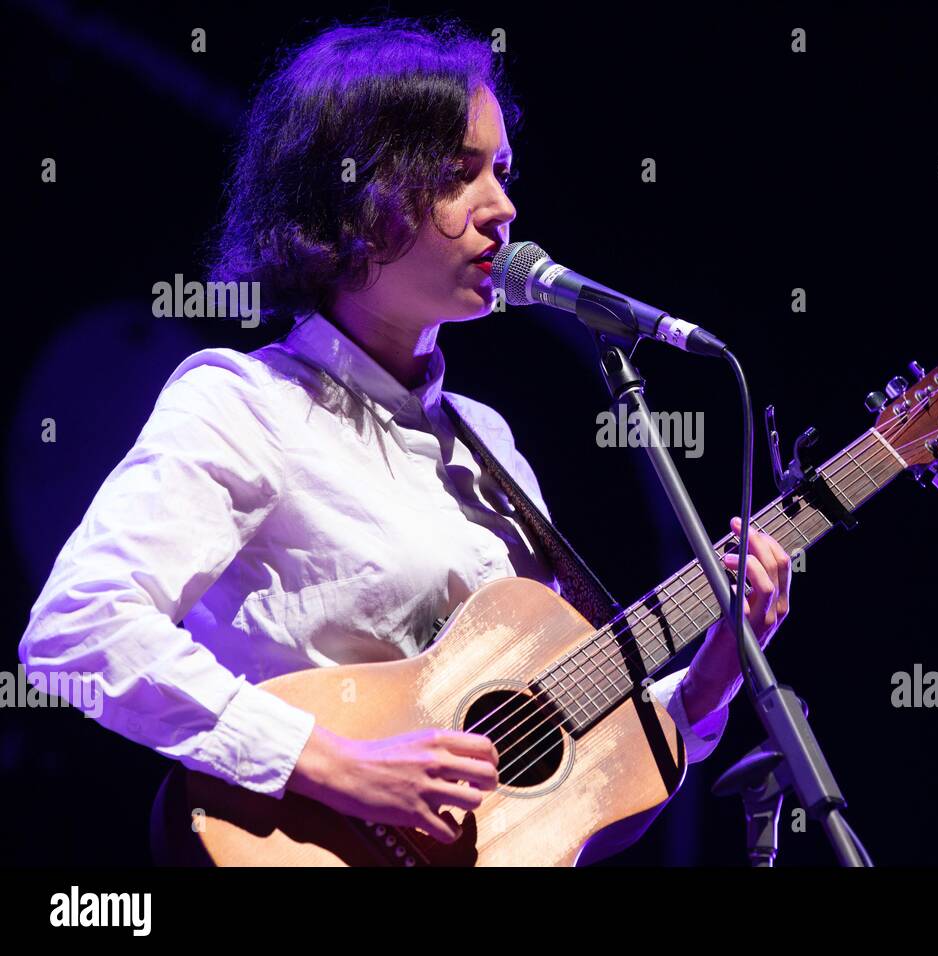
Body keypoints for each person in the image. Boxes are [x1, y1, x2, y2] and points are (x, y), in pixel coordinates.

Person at [17, 18, 792, 854]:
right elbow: (77, 628)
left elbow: (558, 786)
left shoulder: (487, 444)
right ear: (359, 198)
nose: (504, 209)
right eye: (462, 176)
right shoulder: (246, 405)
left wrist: (711, 677)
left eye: (502, 170)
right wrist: (331, 764)